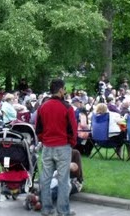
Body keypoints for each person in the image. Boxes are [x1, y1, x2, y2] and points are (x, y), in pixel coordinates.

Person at [35, 79, 78, 216]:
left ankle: (46, 209)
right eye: (64, 89)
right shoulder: (67, 107)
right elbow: (73, 129)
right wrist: (71, 143)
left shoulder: (43, 107)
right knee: (63, 180)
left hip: (48, 146)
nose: (65, 91)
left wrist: (44, 140)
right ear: (60, 90)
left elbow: (38, 128)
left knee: (45, 179)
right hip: (62, 146)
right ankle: (63, 211)